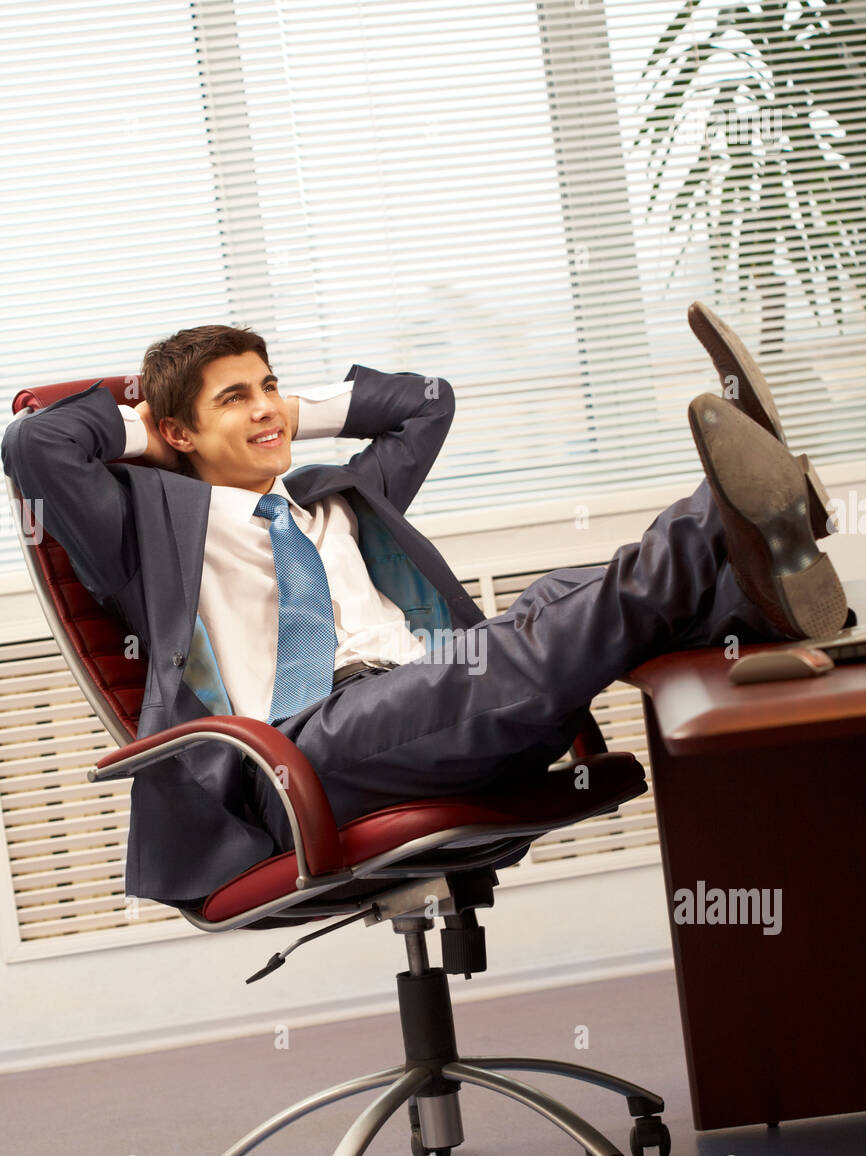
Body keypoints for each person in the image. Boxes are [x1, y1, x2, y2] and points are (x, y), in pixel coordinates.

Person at [2, 322, 850, 909]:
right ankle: (728, 518)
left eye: (270, 388)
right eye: (235, 399)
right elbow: (33, 446)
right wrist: (151, 427)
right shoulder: (144, 536)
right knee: (512, 650)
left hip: (423, 706)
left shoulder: (332, 500)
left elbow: (426, 401)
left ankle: (758, 596)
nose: (265, 407)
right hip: (303, 754)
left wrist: (279, 413)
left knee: (554, 595)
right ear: (176, 433)